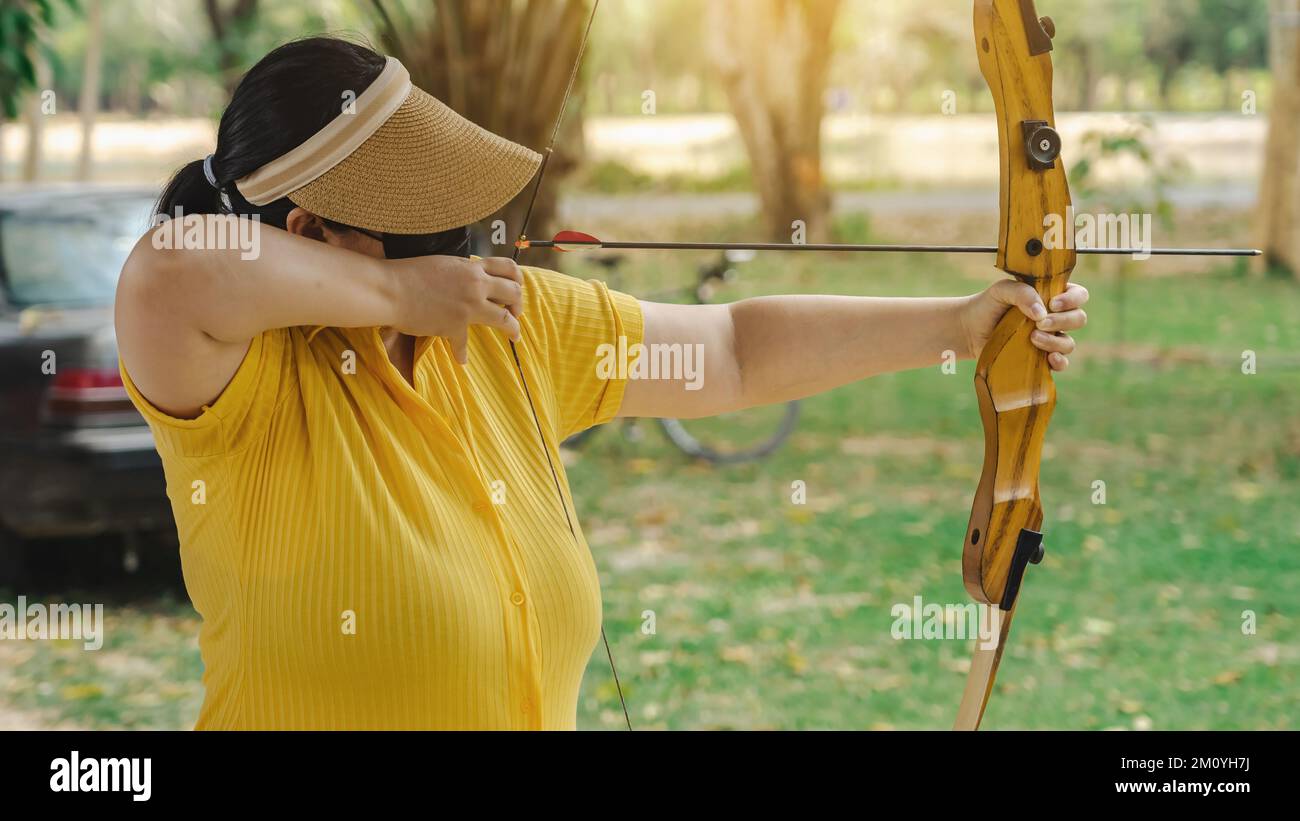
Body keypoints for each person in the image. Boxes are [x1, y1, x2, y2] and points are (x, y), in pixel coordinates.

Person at [115, 36, 1088, 730]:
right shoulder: (243, 381)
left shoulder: (502, 323)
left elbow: (733, 351)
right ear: (307, 233)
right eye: (414, 222)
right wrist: (396, 295)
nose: (454, 241)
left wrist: (957, 325)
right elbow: (167, 267)